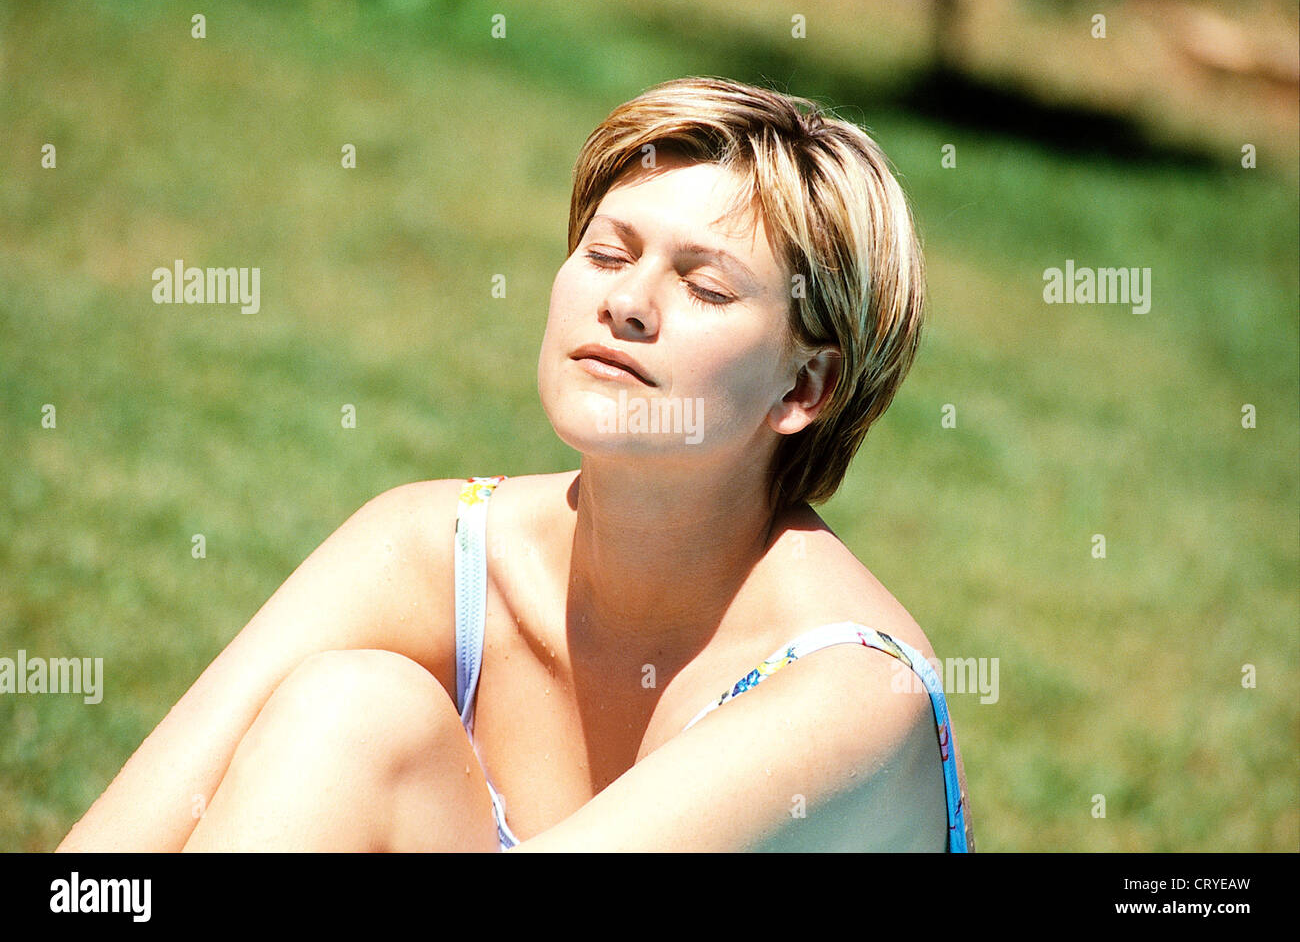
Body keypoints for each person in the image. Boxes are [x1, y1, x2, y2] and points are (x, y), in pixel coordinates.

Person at [58, 76, 973, 853]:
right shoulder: (434, 550)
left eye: (704, 285)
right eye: (607, 252)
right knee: (352, 714)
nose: (627, 301)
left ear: (804, 387)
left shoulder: (851, 688)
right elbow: (110, 857)